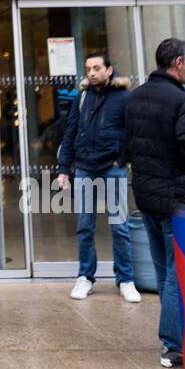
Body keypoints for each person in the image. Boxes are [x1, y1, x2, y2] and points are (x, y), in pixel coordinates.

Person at [124, 37, 185, 369]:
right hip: (176, 196)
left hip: (147, 195)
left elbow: (128, 147)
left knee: (164, 270)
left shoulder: (135, 98)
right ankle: (173, 344)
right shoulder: (181, 100)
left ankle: (173, 336)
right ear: (176, 63)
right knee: (176, 272)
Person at [53, 52, 138, 303]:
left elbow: (133, 133)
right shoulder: (82, 97)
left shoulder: (124, 97)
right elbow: (70, 133)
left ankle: (125, 279)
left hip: (112, 168)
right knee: (85, 226)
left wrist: (122, 160)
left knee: (119, 225)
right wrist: (63, 168)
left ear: (109, 70)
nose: (91, 73)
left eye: (97, 68)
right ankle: (85, 277)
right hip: (85, 168)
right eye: (88, 68)